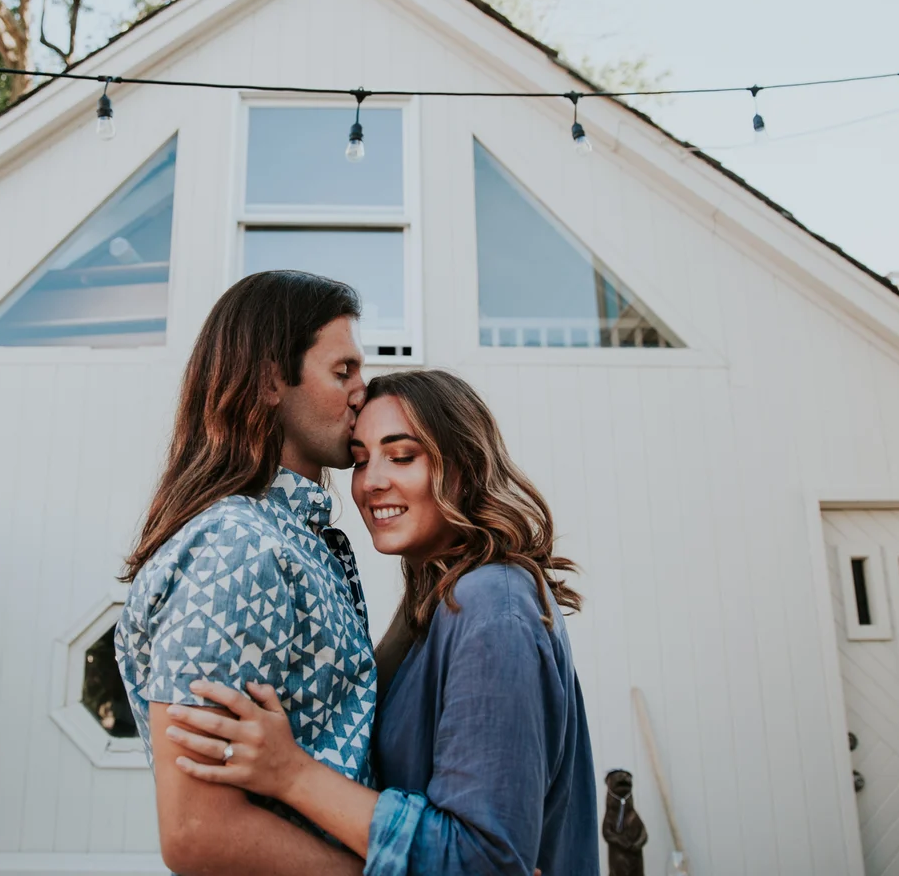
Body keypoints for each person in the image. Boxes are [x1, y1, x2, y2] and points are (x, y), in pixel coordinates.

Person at [165, 369, 601, 876]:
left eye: (402, 456)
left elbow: (483, 859)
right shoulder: (437, 603)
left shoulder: (490, 606)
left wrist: (291, 774)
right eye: (360, 459)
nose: (371, 482)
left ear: (464, 465)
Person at [113, 270, 376, 876]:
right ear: (267, 382)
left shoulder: (291, 538)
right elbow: (198, 831)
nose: (364, 390)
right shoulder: (238, 546)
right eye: (343, 372)